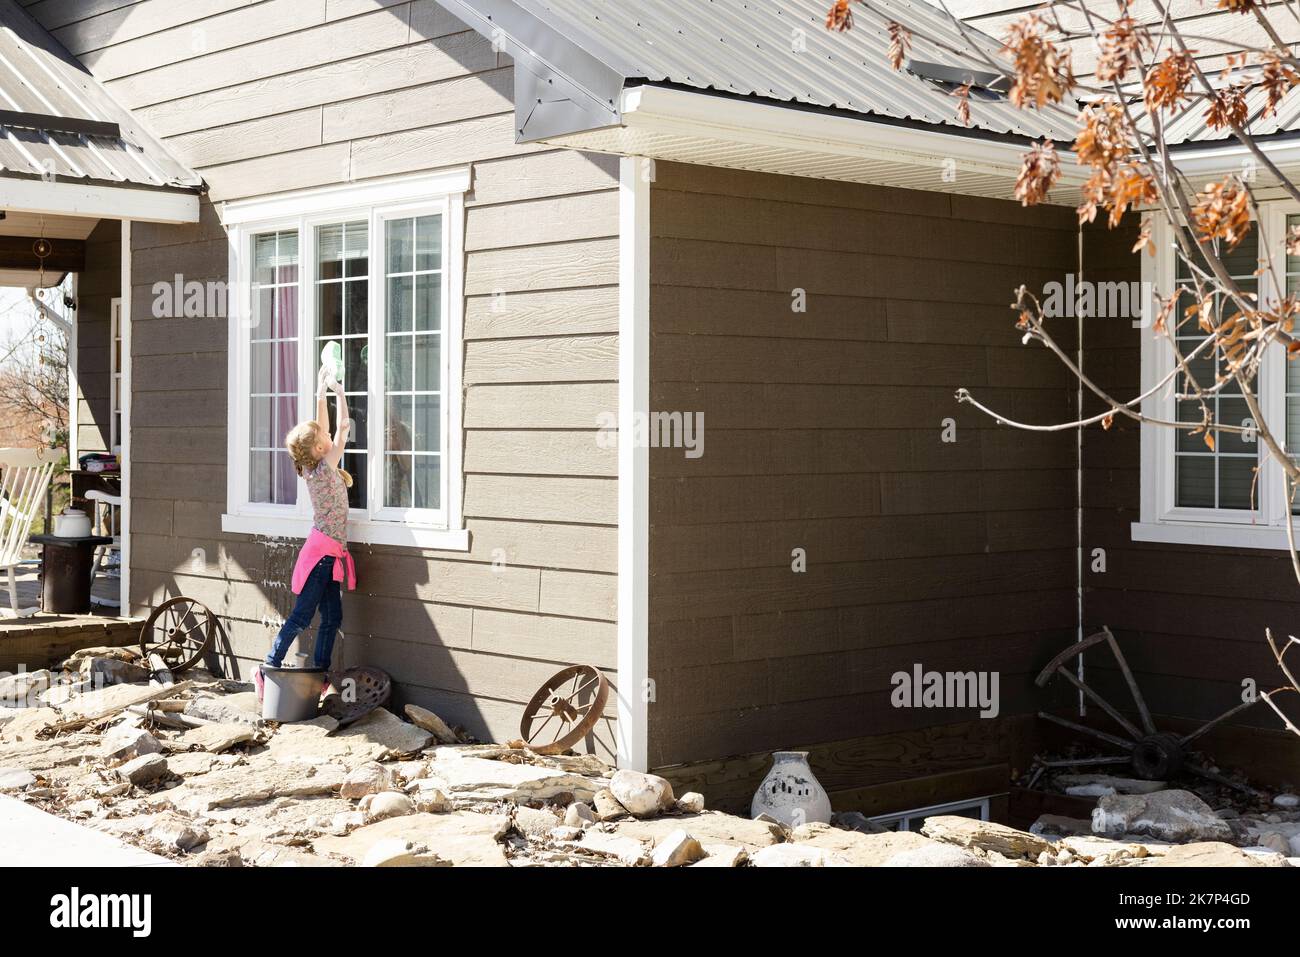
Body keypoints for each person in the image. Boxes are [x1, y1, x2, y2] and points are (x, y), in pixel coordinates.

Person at [254, 366, 357, 698]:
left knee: (332, 619)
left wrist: (329, 393)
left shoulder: (321, 464)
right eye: (322, 439)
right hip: (321, 559)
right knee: (301, 617)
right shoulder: (320, 470)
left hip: (330, 556)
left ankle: (321, 676)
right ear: (317, 450)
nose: (328, 439)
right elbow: (333, 429)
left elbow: (333, 428)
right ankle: (267, 667)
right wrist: (329, 396)